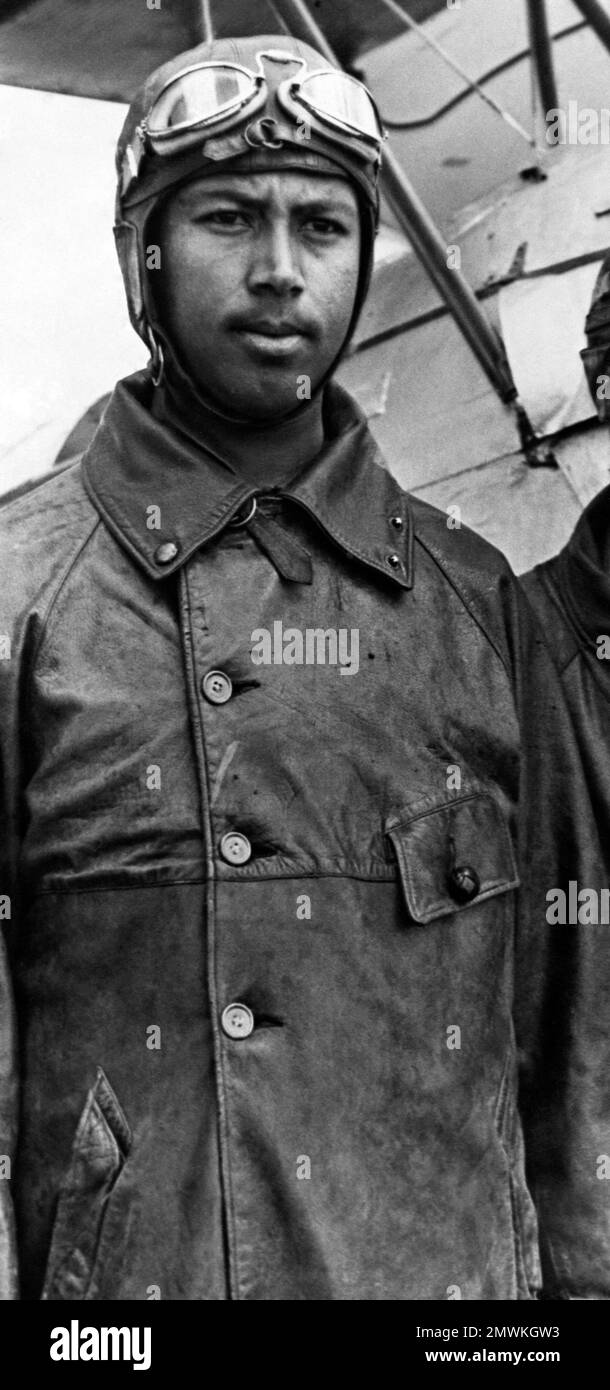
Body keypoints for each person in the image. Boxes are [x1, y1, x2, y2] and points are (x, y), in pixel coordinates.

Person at [0, 34, 608, 1303]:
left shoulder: (481, 601)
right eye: (228, 217)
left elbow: (570, 1042)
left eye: (322, 227)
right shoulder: (21, 595)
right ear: (142, 256)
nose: (281, 270)